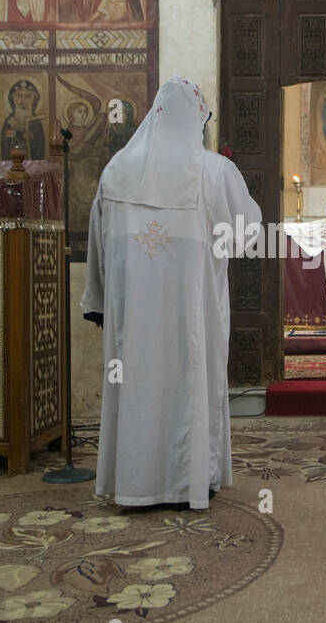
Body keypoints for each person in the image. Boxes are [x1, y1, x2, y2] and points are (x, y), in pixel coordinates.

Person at [82, 76, 261, 510]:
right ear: (196, 120)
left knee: (136, 386)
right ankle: (191, 480)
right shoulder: (213, 171)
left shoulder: (116, 172)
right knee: (189, 380)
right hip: (191, 313)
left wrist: (102, 301)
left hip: (134, 320)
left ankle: (135, 482)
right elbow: (247, 234)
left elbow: (99, 246)